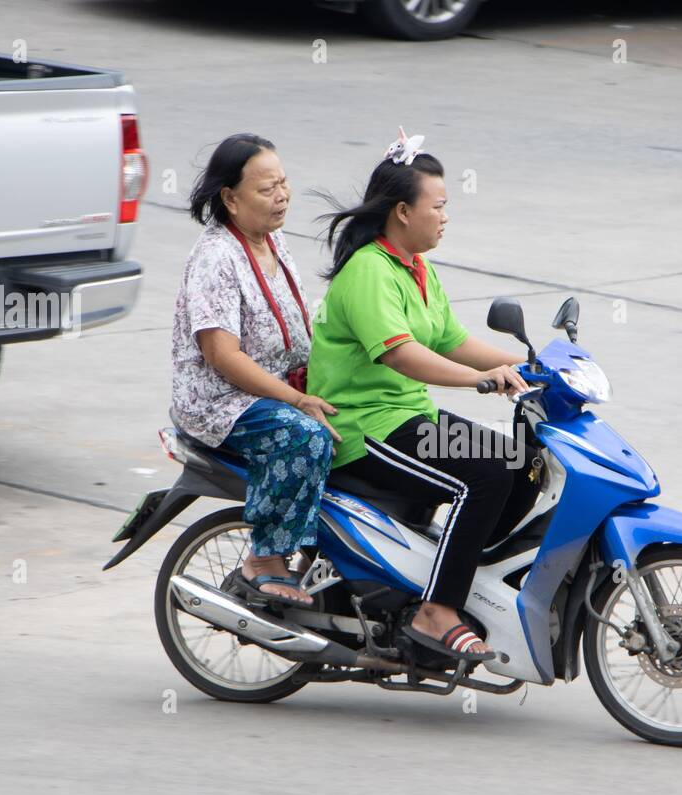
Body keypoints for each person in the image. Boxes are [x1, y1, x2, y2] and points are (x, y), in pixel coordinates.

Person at [308, 130, 538, 660]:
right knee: (484, 474)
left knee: (524, 464)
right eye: (438, 206)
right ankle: (437, 612)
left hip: (407, 417)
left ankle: (460, 587)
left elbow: (451, 340)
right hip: (365, 427)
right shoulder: (369, 270)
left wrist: (529, 363)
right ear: (403, 212)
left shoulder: (418, 270)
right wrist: (480, 381)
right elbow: (401, 354)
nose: (445, 216)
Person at [171, 133, 340, 606]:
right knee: (304, 435)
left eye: (284, 184)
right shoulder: (215, 257)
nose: (282, 196)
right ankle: (265, 560)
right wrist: (296, 399)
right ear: (230, 197)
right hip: (223, 402)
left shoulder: (272, 240)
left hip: (275, 384)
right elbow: (222, 355)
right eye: (267, 190)